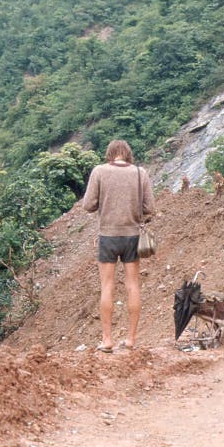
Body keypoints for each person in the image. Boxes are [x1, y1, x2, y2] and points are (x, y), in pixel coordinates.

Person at [83, 140, 155, 353]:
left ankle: (107, 340)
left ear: (110, 153)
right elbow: (150, 208)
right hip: (132, 237)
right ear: (128, 154)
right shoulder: (140, 173)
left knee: (107, 286)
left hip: (108, 236)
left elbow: (88, 205)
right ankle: (131, 339)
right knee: (133, 285)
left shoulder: (99, 171)